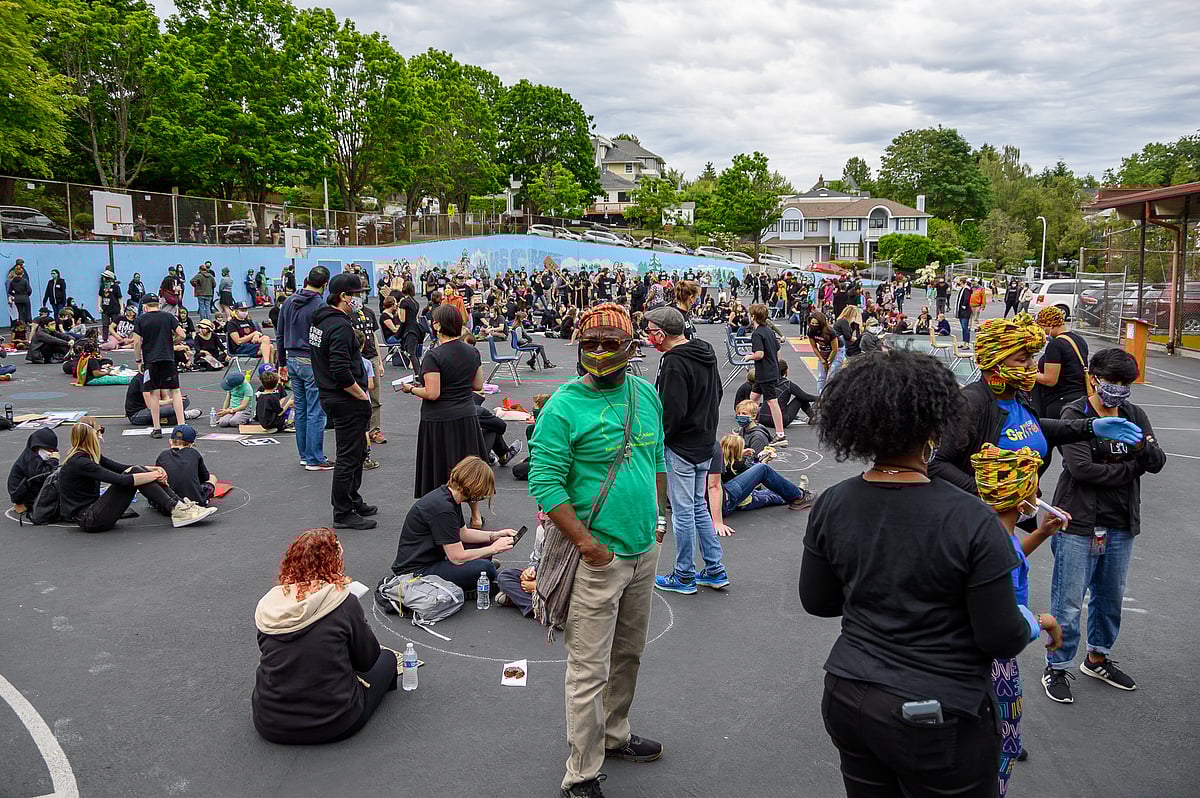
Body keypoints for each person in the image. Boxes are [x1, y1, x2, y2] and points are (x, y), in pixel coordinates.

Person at [799, 349, 1038, 798]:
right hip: (938, 711)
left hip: (849, 695)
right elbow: (1001, 638)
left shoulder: (833, 502)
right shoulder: (971, 518)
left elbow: (819, 601)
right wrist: (1031, 621)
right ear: (934, 427)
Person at [528, 302, 667, 797]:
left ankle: (615, 734)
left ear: (631, 348)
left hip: (643, 550)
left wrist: (660, 518)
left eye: (611, 344)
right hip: (598, 559)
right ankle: (581, 773)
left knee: (628, 654)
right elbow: (545, 483)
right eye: (590, 344)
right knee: (588, 669)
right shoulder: (563, 407)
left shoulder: (646, 394)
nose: (601, 352)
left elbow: (656, 457)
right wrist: (589, 546)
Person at [1042, 348, 1166, 705]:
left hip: (1120, 521)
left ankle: (1097, 658)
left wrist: (1140, 448)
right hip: (1078, 521)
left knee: (1109, 597)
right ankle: (1056, 666)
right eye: (1112, 381)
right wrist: (1133, 465)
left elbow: (1156, 460)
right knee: (1067, 602)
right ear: (1094, 378)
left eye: (1126, 382)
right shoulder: (1075, 414)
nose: (1119, 388)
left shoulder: (1133, 414)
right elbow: (1083, 470)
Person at [929, 314, 1143, 503]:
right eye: (1023, 359)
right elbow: (936, 464)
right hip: (979, 518)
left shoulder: (1017, 394)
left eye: (1032, 357)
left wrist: (1091, 427)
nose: (1032, 365)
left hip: (1013, 516)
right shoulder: (972, 402)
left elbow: (1033, 426)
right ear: (995, 364)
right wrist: (992, 493)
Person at [970, 443, 1066, 796]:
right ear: (1023, 495)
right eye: (1035, 484)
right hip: (995, 662)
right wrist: (1045, 621)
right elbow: (1004, 618)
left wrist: (1040, 533)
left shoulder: (986, 532)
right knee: (1005, 742)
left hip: (966, 654)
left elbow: (1009, 561)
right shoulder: (999, 545)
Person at [253, 529, 398, 745]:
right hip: (334, 721)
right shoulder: (342, 601)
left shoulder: (270, 605)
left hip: (270, 720)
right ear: (334, 562)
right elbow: (368, 660)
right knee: (388, 659)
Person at [643, 306, 726, 595]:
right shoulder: (705, 352)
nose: (649, 337)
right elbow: (718, 392)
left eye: (651, 332)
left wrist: (660, 439)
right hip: (705, 440)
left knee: (682, 513)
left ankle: (685, 574)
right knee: (698, 506)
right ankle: (714, 568)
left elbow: (672, 410)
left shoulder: (673, 362)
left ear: (661, 333)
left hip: (681, 446)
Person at [399, 305, 488, 521]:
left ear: (438, 326)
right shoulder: (472, 351)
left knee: (440, 468)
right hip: (466, 416)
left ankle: (444, 516)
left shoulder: (434, 355)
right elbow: (478, 385)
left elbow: (432, 393)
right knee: (468, 468)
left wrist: (410, 389)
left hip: (439, 419)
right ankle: (476, 515)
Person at [58, 422, 216, 531]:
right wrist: (153, 475)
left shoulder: (89, 456)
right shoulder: (81, 462)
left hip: (93, 512)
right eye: (101, 431)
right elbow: (122, 480)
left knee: (136, 470)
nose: (102, 436)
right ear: (93, 436)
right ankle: (177, 508)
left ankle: (180, 505)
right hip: (90, 519)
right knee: (136, 473)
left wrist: (152, 469)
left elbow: (122, 468)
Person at [389, 455, 516, 590]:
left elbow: (463, 533)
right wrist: (493, 549)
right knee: (486, 568)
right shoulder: (443, 508)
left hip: (433, 557)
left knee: (485, 544)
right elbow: (457, 557)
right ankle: (473, 575)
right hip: (417, 571)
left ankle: (472, 570)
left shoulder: (449, 496)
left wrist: (495, 535)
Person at [310, 273, 376, 530]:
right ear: (343, 297)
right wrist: (360, 395)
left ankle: (352, 499)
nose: (359, 300)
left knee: (357, 452)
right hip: (345, 399)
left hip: (333, 396)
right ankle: (343, 511)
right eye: (356, 295)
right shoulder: (339, 326)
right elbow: (340, 370)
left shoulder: (322, 322)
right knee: (349, 457)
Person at [276, 267, 331, 470]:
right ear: (325, 284)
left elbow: (279, 334)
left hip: (292, 358)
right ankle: (314, 458)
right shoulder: (320, 305)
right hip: (310, 360)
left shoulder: (289, 302)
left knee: (301, 408)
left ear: (307, 280)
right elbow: (323, 336)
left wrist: (282, 362)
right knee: (316, 410)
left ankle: (305, 455)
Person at [708, 435, 813, 535]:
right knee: (766, 479)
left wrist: (740, 453)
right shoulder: (737, 463)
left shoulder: (719, 460)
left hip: (726, 495)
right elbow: (755, 477)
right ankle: (798, 495)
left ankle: (797, 491)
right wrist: (717, 522)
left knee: (769, 492)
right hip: (730, 499)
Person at [132, 294, 186, 439]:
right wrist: (172, 342)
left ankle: (157, 428)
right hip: (168, 358)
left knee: (154, 393)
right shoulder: (168, 317)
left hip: (151, 359)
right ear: (158, 304)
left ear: (145, 306)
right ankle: (182, 425)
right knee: (175, 391)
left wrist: (138, 360)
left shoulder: (141, 319)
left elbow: (136, 342)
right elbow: (182, 334)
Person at [1032, 305, 1089, 419]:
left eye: (1043, 327)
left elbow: (1050, 380)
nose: (1043, 331)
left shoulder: (1056, 345)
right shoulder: (1078, 339)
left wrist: (1028, 373)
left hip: (1059, 400)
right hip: (1080, 397)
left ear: (1050, 325)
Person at [350, 277, 386, 445]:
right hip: (356, 359)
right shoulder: (348, 315)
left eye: (364, 293)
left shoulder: (370, 313)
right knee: (356, 395)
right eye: (359, 293)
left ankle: (374, 429)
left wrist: (379, 361)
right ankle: (357, 430)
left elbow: (373, 336)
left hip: (371, 357)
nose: (361, 296)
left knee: (375, 397)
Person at [747, 303, 789, 446]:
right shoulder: (769, 331)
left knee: (772, 402)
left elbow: (759, 354)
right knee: (753, 398)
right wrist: (776, 364)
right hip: (766, 371)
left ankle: (780, 435)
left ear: (753, 316)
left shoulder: (757, 334)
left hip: (765, 373)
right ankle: (749, 427)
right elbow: (777, 349)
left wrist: (749, 357)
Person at [156, 424, 218, 506]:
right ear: (191, 444)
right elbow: (205, 477)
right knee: (212, 478)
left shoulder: (163, 455)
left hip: (168, 500)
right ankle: (203, 499)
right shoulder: (194, 453)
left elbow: (157, 478)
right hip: (195, 500)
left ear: (170, 441)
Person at [8, 428, 58, 513]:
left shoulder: (35, 456)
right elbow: (40, 476)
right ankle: (26, 504)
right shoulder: (31, 459)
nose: (51, 453)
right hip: (19, 492)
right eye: (49, 451)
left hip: (22, 489)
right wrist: (53, 461)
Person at [124, 375, 198, 426]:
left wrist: (174, 402)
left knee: (184, 400)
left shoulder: (158, 376)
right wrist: (172, 401)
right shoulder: (143, 379)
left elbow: (165, 396)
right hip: (137, 414)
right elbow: (150, 405)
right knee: (175, 406)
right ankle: (183, 415)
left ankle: (174, 415)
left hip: (154, 407)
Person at [807, 310, 840, 394]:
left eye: (816, 324)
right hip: (823, 350)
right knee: (822, 376)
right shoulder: (810, 331)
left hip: (837, 350)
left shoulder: (830, 332)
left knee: (832, 373)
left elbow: (835, 349)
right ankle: (820, 396)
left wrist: (828, 362)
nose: (814, 325)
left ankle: (831, 394)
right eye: (812, 323)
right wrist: (822, 360)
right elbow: (814, 347)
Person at [954, 277, 973, 343]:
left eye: (959, 281)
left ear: (961, 282)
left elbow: (966, 299)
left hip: (965, 312)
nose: (958, 282)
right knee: (963, 328)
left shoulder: (966, 289)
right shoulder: (962, 289)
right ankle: (964, 342)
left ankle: (966, 342)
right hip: (961, 312)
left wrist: (963, 306)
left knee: (965, 328)